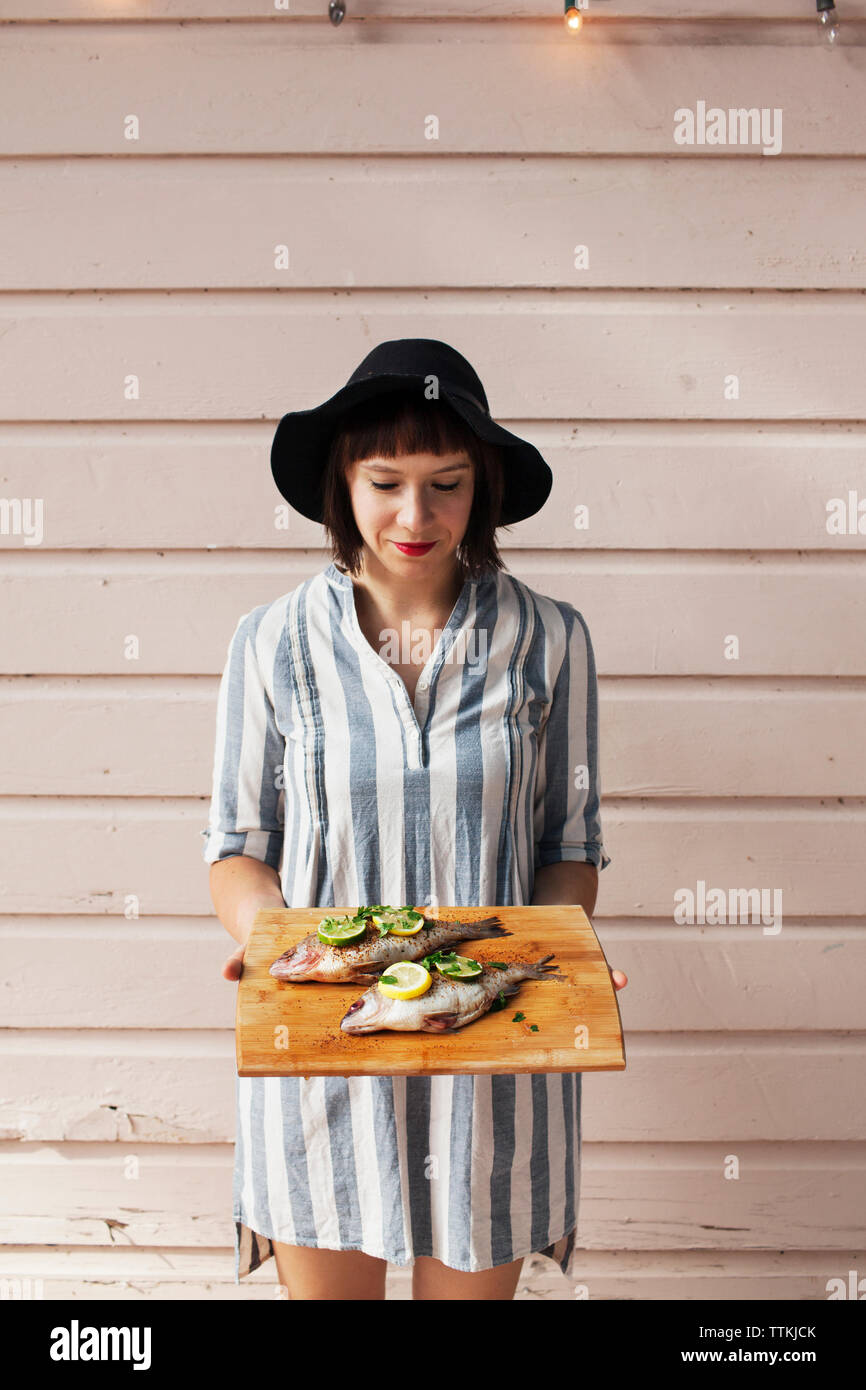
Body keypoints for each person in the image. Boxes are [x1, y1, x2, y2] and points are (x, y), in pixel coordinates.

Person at [203, 338, 626, 1301]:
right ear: (342, 484)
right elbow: (236, 848)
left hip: (498, 1048)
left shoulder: (551, 639)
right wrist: (273, 945)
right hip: (322, 1045)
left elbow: (568, 844)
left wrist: (561, 950)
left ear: (483, 490)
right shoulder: (269, 643)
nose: (415, 516)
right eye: (385, 482)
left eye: (447, 484)